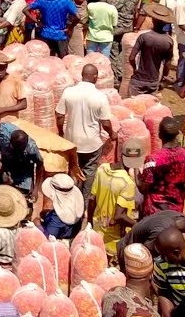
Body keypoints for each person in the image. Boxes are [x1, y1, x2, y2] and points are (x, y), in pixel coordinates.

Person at [57, 64, 114, 195]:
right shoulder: (100, 97)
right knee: (89, 172)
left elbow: (59, 115)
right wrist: (112, 133)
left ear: (82, 76)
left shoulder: (68, 92)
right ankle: (84, 201)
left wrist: (61, 132)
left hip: (72, 141)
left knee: (73, 169)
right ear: (95, 77)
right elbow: (105, 122)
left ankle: (71, 196)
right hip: (91, 144)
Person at [88, 139, 142, 256]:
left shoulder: (102, 169)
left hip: (98, 229)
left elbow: (92, 200)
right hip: (114, 239)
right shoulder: (127, 183)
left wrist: (89, 222)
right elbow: (119, 216)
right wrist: (137, 225)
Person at [139, 117, 185, 215]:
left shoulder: (152, 159)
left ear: (159, 135)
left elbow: (143, 189)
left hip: (154, 212)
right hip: (176, 211)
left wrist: (136, 171)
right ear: (177, 134)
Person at [40, 173, 84, 240]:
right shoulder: (77, 207)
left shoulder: (56, 218)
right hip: (72, 235)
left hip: (58, 241)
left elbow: (49, 237)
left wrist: (38, 224)